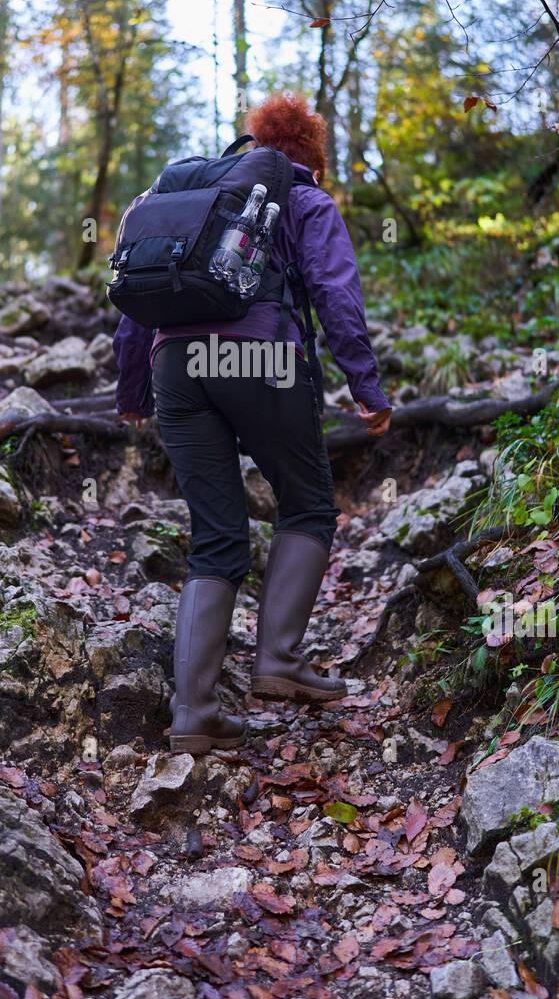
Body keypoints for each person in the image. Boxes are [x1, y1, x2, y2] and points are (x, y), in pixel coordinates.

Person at [113, 94, 391, 754]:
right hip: (262, 357)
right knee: (307, 505)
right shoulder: (304, 199)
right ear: (307, 161)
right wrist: (366, 386)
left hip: (175, 366)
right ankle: (279, 661)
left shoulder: (188, 202)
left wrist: (132, 390)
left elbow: (134, 298)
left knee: (216, 537)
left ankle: (196, 712)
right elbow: (335, 293)